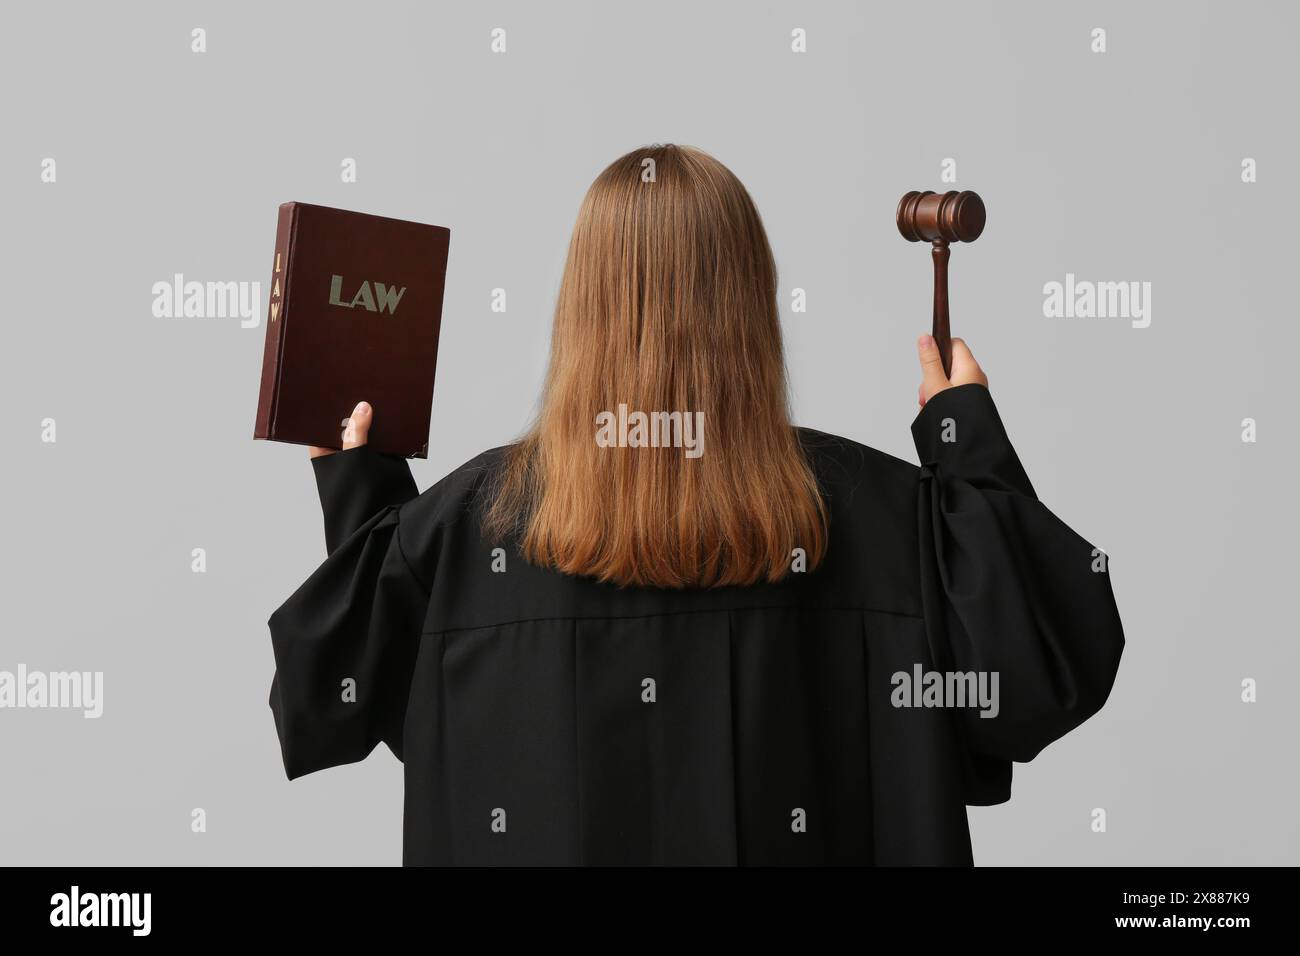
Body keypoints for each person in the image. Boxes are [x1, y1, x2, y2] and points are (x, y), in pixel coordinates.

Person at [266, 144, 1124, 866]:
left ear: (581, 305)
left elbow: (351, 694)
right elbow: (1039, 676)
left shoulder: (463, 529)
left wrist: (364, 494)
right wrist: (961, 436)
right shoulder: (892, 517)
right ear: (751, 300)